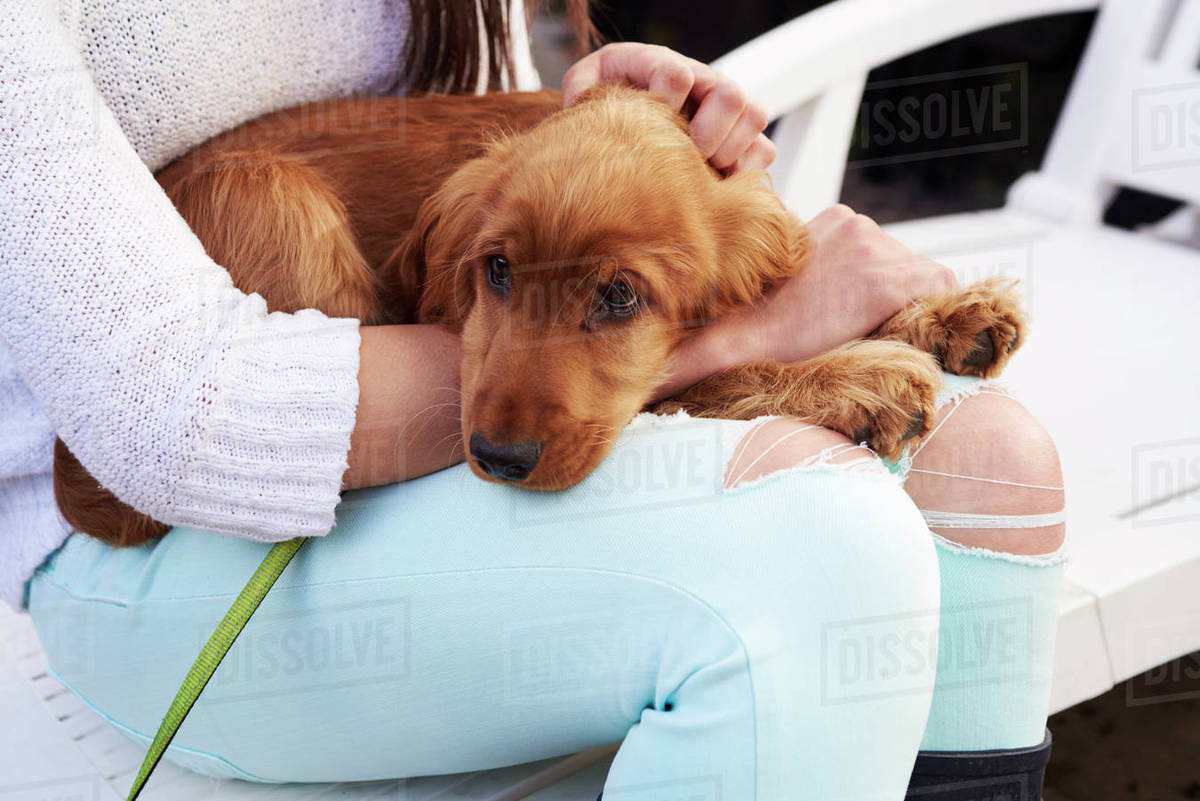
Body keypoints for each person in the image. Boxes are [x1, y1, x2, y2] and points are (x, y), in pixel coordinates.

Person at [0, 2, 1065, 798]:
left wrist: (601, 115)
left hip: (397, 433)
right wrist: (756, 343)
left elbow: (495, 185)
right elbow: (182, 428)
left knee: (988, 458)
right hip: (160, 532)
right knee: (818, 535)